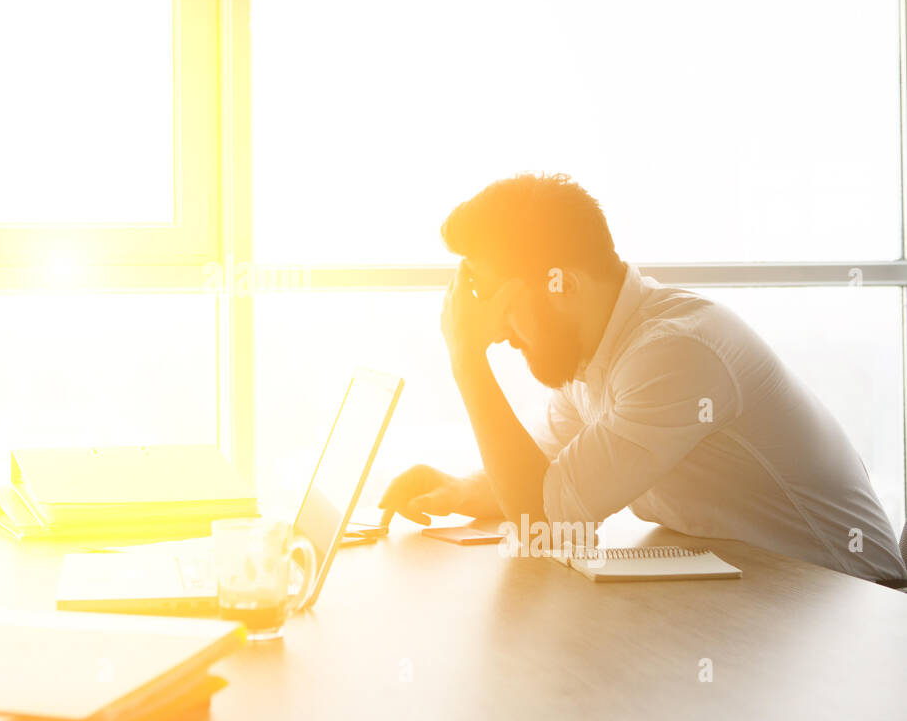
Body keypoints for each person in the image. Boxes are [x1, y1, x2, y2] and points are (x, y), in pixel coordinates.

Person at [380, 172, 907, 582]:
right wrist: (459, 489)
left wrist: (466, 361)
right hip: (767, 596)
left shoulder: (674, 353)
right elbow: (543, 483)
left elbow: (543, 523)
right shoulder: (588, 365)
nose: (495, 331)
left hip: (854, 599)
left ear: (565, 284)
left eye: (503, 304)